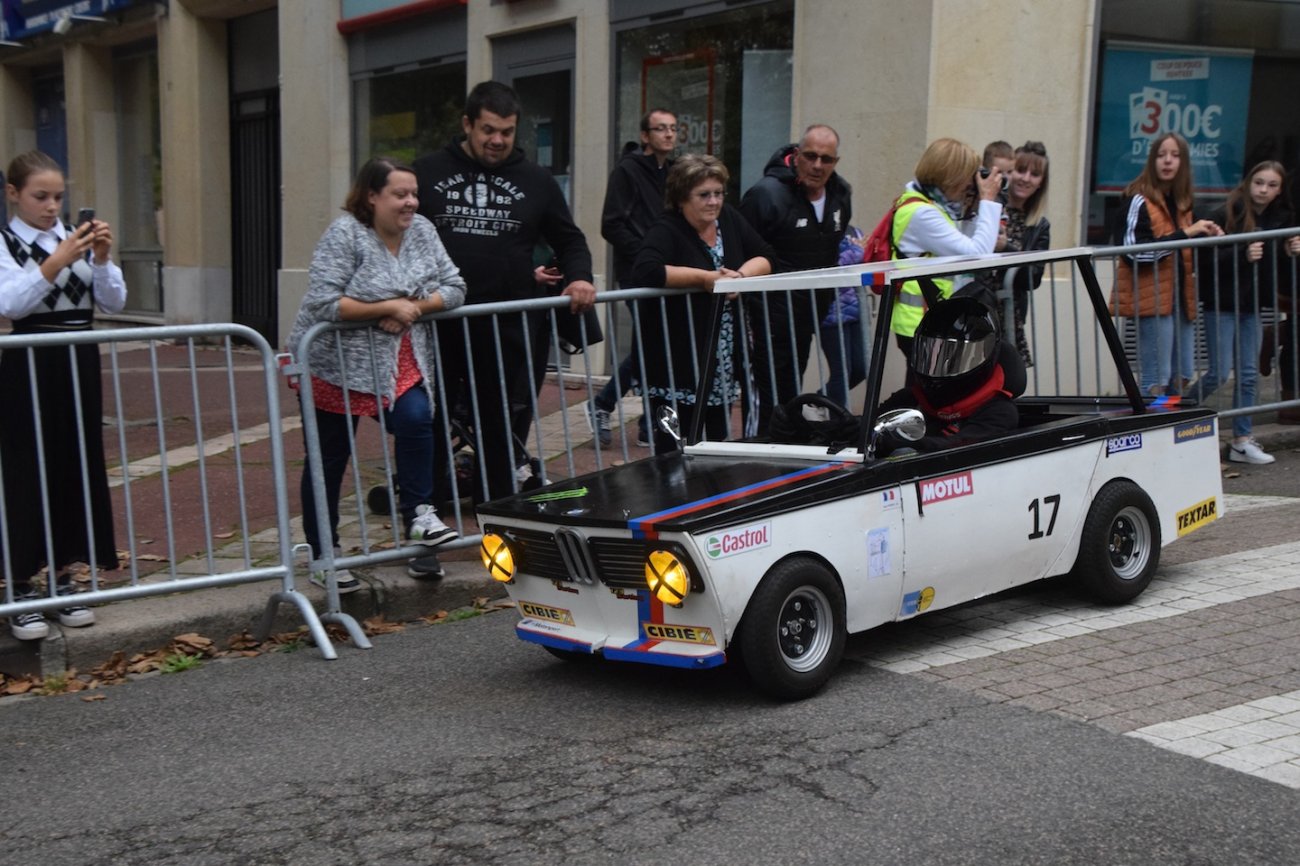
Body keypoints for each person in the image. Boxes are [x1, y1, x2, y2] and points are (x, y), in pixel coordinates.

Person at [287, 157, 466, 593]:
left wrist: (416, 308)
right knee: (330, 459)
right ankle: (324, 553)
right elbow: (324, 303)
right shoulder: (345, 234)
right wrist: (386, 307)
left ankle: (421, 528)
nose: (410, 203)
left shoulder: (422, 230)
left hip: (400, 359)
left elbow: (456, 286)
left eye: (414, 194)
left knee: (417, 419)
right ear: (372, 196)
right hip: (335, 363)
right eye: (400, 194)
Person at [413, 80, 595, 504]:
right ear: (467, 124)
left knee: (497, 421)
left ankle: (496, 510)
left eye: (507, 132)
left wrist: (580, 276)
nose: (497, 140)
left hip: (502, 325)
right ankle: (426, 510)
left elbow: (570, 239)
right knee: (431, 419)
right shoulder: (426, 172)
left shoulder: (536, 180)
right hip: (436, 320)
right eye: (488, 130)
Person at [0, 150, 126, 640]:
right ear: (13, 194)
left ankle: (65, 574)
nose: (53, 207)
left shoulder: (71, 240)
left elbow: (114, 301)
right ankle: (21, 587)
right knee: (27, 467)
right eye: (41, 197)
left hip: (78, 359)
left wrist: (101, 258)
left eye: (58, 197)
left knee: (76, 462)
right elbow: (10, 304)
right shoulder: (8, 242)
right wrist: (55, 262)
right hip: (29, 362)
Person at [629, 154, 774, 452]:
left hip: (719, 364)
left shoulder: (729, 219)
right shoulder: (667, 227)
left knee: (717, 445)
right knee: (673, 451)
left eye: (718, 194)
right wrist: (705, 279)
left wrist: (740, 275)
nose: (713, 202)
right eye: (704, 195)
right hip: (676, 362)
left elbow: (766, 255)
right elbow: (647, 269)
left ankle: (715, 497)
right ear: (682, 197)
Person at [740, 124, 852, 435]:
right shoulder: (766, 194)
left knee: (790, 391)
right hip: (765, 315)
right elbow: (742, 250)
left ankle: (781, 460)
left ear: (836, 162)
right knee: (765, 394)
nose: (818, 166)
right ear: (797, 155)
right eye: (811, 156)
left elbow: (832, 248)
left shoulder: (841, 194)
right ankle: (755, 457)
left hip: (807, 314)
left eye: (826, 159)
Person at [1193, 161, 1300, 463]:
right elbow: (1206, 260)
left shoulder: (1281, 220)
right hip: (1222, 304)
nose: (1264, 190)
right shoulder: (1225, 213)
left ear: (1280, 190)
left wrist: (1291, 253)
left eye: (1271, 185)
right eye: (1259, 183)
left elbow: (1280, 271)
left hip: (1254, 306)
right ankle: (1171, 413)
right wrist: (1242, 253)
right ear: (1248, 183)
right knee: (1216, 373)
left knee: (1249, 375)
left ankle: (1242, 439)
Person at [1109, 131, 1223, 396]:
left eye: (1174, 155)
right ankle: (1153, 425)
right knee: (1155, 378)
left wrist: (1209, 237)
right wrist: (1186, 234)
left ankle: (1169, 420)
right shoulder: (1138, 199)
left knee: (1182, 374)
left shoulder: (1183, 203)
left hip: (1181, 299)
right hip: (1154, 300)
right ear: (1152, 161)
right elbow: (1133, 253)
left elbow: (1186, 253)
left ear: (1183, 163)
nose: (1167, 161)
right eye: (1161, 155)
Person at [590, 107, 677, 446]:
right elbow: (611, 223)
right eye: (660, 129)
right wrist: (646, 253)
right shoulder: (628, 171)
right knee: (652, 347)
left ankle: (647, 423)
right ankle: (603, 404)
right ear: (645, 136)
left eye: (672, 128)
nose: (668, 134)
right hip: (638, 273)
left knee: (656, 347)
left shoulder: (673, 172)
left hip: (668, 273)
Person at [889, 138, 1004, 358]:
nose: (969, 184)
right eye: (967, 176)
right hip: (919, 319)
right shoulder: (922, 213)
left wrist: (974, 208)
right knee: (928, 390)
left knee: (924, 389)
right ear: (951, 176)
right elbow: (978, 254)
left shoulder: (931, 206)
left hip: (930, 316)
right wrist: (989, 199)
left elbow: (967, 247)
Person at [876, 297, 1025, 456]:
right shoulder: (911, 399)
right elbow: (868, 429)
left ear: (984, 356)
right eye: (930, 355)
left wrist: (906, 443)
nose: (939, 367)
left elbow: (960, 446)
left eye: (953, 358)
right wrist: (851, 426)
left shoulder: (999, 412)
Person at [973, 141, 1053, 367]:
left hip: (1009, 315)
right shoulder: (988, 206)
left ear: (1041, 183)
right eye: (1020, 170)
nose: (1025, 178)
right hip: (974, 308)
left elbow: (1033, 278)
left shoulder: (1040, 225)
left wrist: (1006, 249)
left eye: (1035, 174)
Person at [819, 225, 868, 407]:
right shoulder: (822, 231)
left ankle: (817, 401)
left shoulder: (853, 230)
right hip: (830, 310)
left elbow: (868, 257)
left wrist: (862, 251)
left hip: (853, 308)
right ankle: (839, 421)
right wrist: (857, 250)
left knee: (861, 367)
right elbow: (830, 267)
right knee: (842, 371)